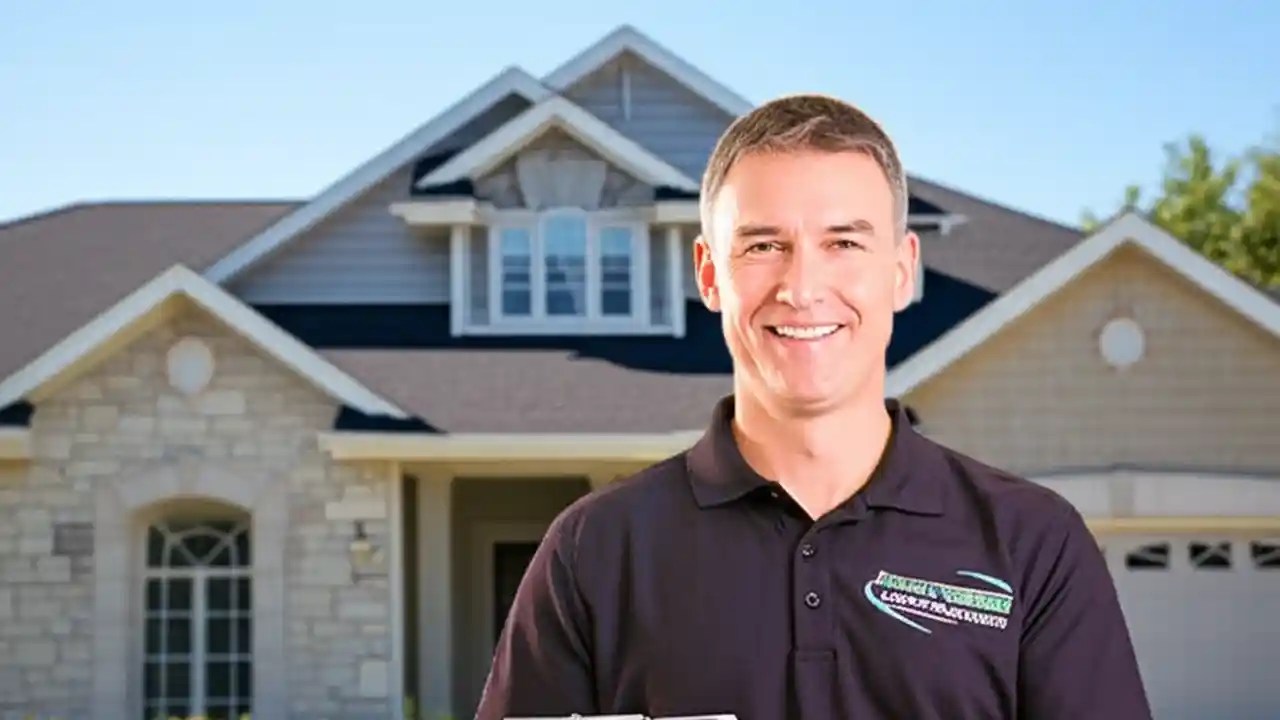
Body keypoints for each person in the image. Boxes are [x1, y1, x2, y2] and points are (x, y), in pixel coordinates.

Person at [475, 94, 1152, 719]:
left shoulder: (1033, 544)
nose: (802, 287)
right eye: (765, 245)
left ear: (901, 269)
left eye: (844, 243)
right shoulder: (595, 552)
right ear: (710, 274)